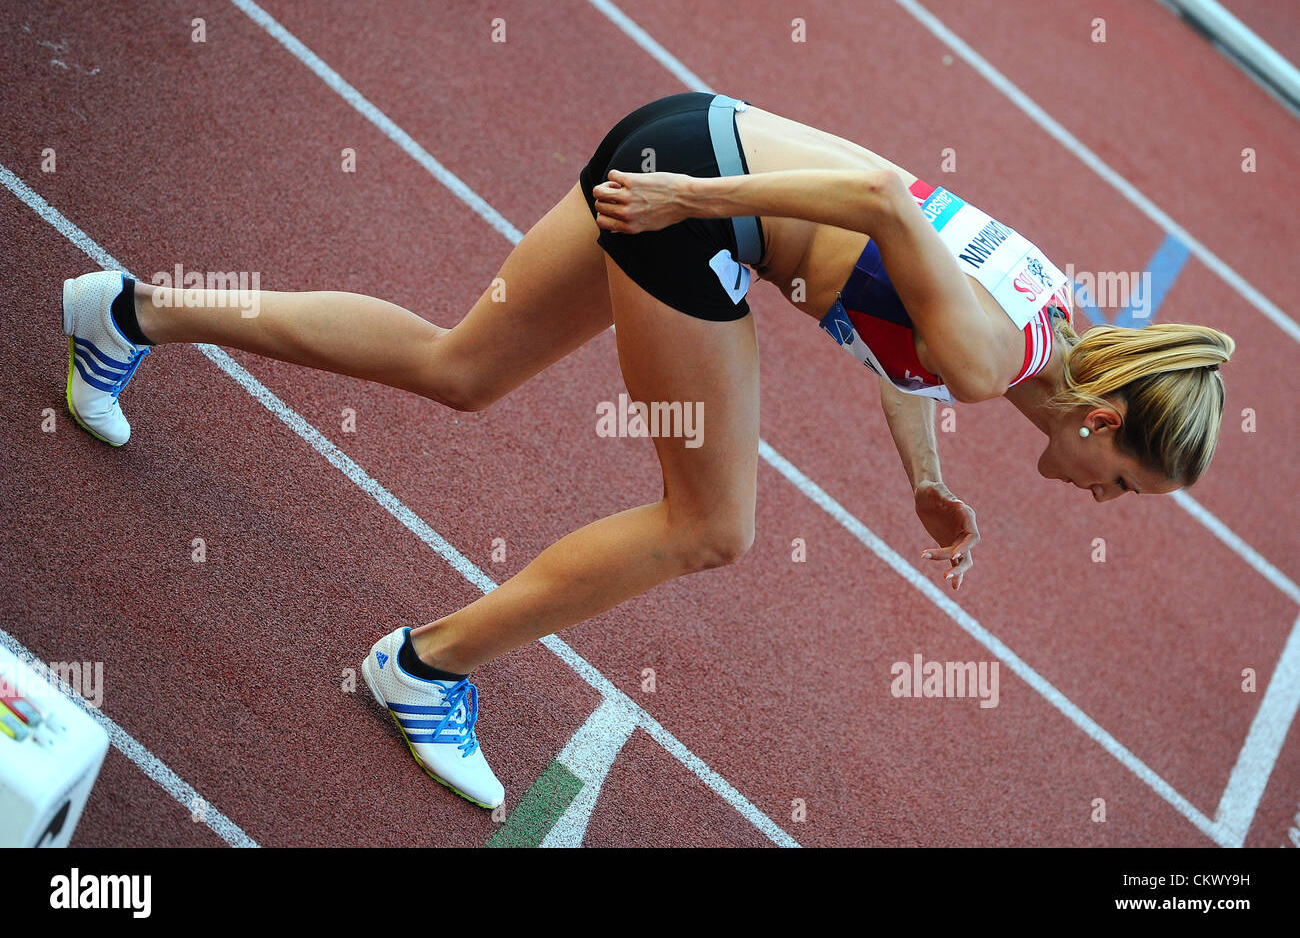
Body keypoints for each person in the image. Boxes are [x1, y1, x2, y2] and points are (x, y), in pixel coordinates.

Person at [61, 92, 1233, 809]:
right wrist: (689, 201)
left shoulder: (1061, 325)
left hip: (685, 136)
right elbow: (879, 199)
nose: (1107, 505)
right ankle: (423, 669)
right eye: (1125, 487)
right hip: (701, 203)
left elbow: (907, 323)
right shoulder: (1000, 361)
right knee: (710, 528)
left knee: (456, 368)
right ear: (1101, 422)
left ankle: (125, 314)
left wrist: (923, 479)